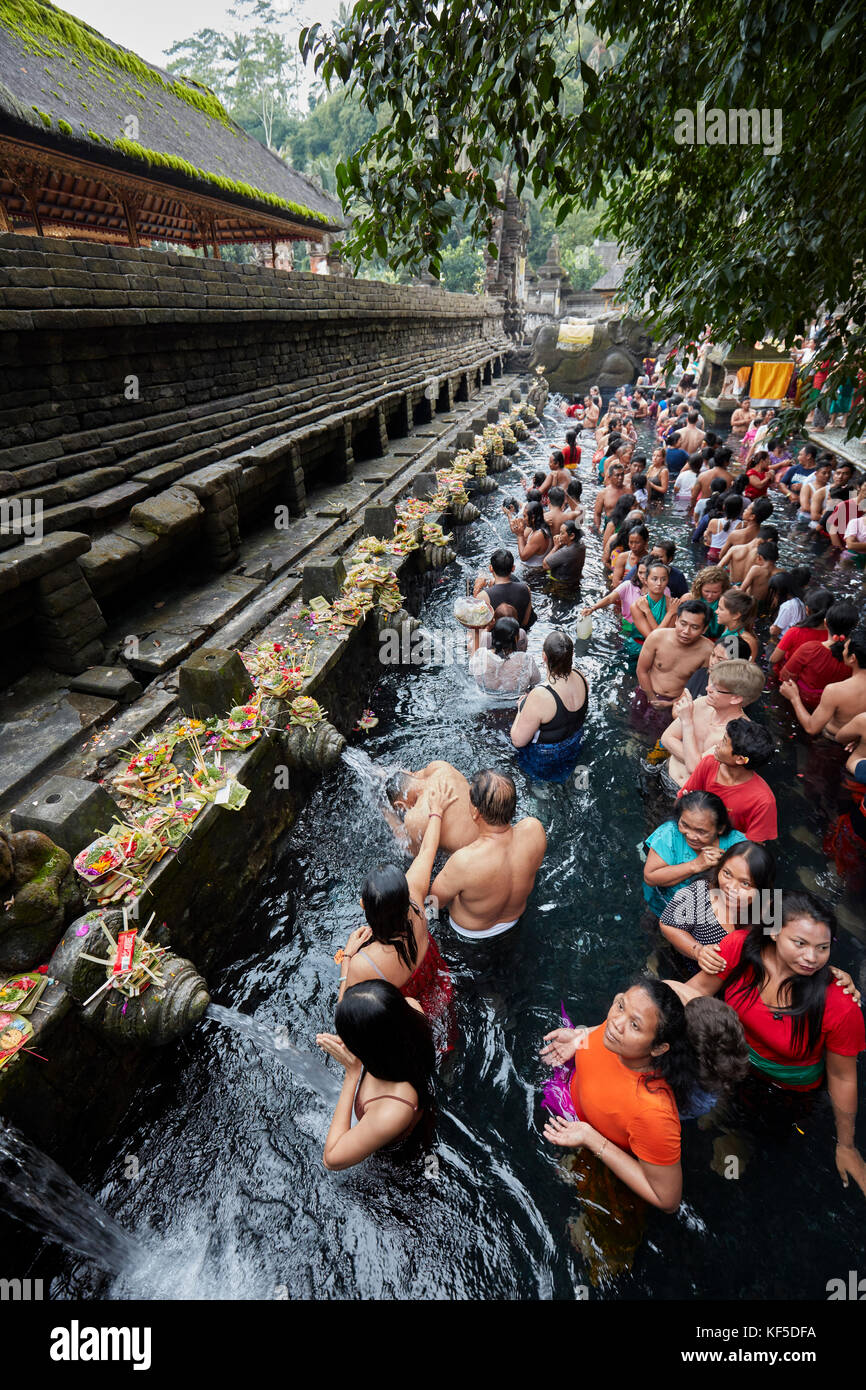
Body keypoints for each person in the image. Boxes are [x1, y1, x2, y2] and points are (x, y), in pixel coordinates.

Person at [685, 892, 866, 1197]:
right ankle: (722, 1109)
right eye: (801, 943)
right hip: (733, 1060)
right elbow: (694, 992)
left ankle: (741, 1138)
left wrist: (846, 1145)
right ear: (773, 931)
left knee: (763, 1128)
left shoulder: (840, 1005)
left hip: (785, 1091)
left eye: (822, 948)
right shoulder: (740, 949)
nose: (812, 958)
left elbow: (842, 1077)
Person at [540, 977, 747, 1212]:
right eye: (620, 1004)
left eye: (635, 1025)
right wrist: (582, 1036)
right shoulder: (635, 1012)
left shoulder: (653, 1114)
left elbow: (668, 1201)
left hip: (594, 1145)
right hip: (567, 1106)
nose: (616, 1022)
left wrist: (592, 1140)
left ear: (659, 1047)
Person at [338, 814, 454, 1023]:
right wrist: (436, 813)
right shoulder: (416, 902)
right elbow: (427, 850)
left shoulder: (364, 964)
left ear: (364, 906)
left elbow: (345, 1016)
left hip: (408, 1017)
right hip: (439, 988)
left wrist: (347, 957)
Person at [316, 980, 435, 1170]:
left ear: (369, 1047)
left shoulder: (394, 1109)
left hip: (402, 1158)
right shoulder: (411, 1011)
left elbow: (331, 1159)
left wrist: (352, 1075)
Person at [429, 769, 546, 939]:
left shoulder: (464, 861)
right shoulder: (535, 831)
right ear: (514, 809)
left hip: (468, 937)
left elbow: (434, 903)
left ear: (475, 812)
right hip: (515, 925)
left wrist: (436, 813)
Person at [659, 841, 776, 972]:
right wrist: (698, 951)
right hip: (689, 969)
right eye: (727, 873)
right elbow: (667, 924)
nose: (731, 887)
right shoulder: (700, 894)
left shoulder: (771, 911)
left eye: (745, 883)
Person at [661, 659, 765, 787]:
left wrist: (687, 723)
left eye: (716, 688)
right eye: (711, 682)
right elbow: (666, 738)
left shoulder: (739, 734)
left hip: (687, 794)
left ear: (736, 698)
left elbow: (695, 769)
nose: (707, 688)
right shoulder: (702, 703)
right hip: (664, 772)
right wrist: (694, 760)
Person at [642, 790, 748, 915]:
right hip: (665, 905)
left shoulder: (737, 844)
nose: (691, 836)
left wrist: (726, 862)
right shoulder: (669, 834)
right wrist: (697, 864)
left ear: (720, 829)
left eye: (701, 832)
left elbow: (749, 885)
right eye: (684, 825)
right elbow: (650, 877)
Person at [677, 719, 778, 841]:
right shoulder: (709, 763)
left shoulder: (763, 801)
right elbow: (681, 802)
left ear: (740, 759)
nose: (717, 744)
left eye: (724, 742)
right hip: (691, 835)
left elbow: (754, 847)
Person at [511, 630, 589, 782]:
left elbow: (518, 741)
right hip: (573, 748)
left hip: (544, 760)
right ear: (571, 656)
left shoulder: (541, 695)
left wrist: (521, 708)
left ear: (544, 657)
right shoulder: (581, 678)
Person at [636, 601, 714, 724]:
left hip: (677, 704)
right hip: (646, 692)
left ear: (704, 629)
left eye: (694, 627)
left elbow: (701, 689)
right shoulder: (657, 637)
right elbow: (642, 670)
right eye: (683, 624)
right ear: (676, 620)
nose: (686, 631)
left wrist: (671, 703)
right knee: (635, 725)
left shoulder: (708, 652)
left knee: (661, 739)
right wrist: (651, 697)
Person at [781, 629, 866, 737]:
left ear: (853, 658)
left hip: (829, 741)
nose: (842, 651)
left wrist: (794, 698)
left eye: (845, 648)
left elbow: (811, 728)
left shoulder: (835, 690)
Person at [777, 600, 859, 708]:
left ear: (825, 623)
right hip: (832, 705)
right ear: (855, 626)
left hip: (801, 700)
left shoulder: (810, 649)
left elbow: (785, 676)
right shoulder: (855, 657)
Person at [383, 762, 477, 853]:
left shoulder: (415, 818)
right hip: (489, 833)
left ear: (400, 805)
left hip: (474, 858)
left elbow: (412, 851)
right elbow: (413, 775)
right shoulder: (440, 768)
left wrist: (386, 811)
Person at [582, 557, 650, 658]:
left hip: (649, 632)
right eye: (640, 572)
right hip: (627, 629)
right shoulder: (628, 586)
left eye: (646, 573)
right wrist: (592, 608)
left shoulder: (661, 591)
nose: (643, 576)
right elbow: (610, 599)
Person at [469, 616, 541, 695]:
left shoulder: (481, 655)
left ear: (493, 636)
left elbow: (472, 670)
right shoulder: (526, 659)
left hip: (485, 700)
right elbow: (536, 680)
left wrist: (479, 630)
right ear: (517, 638)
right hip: (515, 702)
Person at [769, 586, 832, 669]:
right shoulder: (833, 634)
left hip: (789, 674)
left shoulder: (796, 632)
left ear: (807, 610)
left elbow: (774, 659)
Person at [473, 548, 533, 628]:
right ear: (513, 568)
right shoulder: (526, 589)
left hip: (495, 637)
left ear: (491, 568)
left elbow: (476, 624)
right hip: (518, 633)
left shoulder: (484, 596)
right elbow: (525, 622)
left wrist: (477, 591)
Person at [630, 559, 675, 642]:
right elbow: (652, 639)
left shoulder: (673, 604)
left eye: (663, 579)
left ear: (667, 581)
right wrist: (670, 613)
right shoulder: (636, 606)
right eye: (654, 579)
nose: (659, 583)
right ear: (646, 581)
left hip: (664, 646)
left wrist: (647, 611)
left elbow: (664, 637)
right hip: (638, 647)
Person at [715, 587, 759, 661]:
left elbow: (747, 668)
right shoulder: (728, 626)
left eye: (721, 609)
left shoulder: (747, 642)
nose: (716, 611)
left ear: (736, 615)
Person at [767, 568, 810, 640]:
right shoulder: (799, 600)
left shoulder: (787, 606)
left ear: (779, 592)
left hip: (784, 640)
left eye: (774, 591)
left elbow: (774, 631)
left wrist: (771, 628)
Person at [510, 500, 553, 567]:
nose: (523, 519)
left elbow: (523, 557)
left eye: (524, 516)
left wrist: (520, 535)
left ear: (533, 518)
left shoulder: (538, 535)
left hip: (533, 572)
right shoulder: (541, 526)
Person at [704, 495, 744, 563]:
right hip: (728, 557)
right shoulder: (742, 525)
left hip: (713, 555)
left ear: (723, 507)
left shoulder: (714, 522)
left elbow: (708, 541)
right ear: (741, 509)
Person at [740, 540, 779, 606]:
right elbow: (777, 597)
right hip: (765, 606)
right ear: (777, 558)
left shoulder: (755, 569)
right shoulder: (781, 573)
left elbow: (742, 589)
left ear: (759, 557)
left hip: (752, 604)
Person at [593, 462, 629, 530]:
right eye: (617, 475)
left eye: (622, 475)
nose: (620, 478)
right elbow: (597, 514)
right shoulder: (603, 493)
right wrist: (597, 528)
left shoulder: (629, 491)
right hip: (610, 525)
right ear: (610, 477)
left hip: (626, 526)